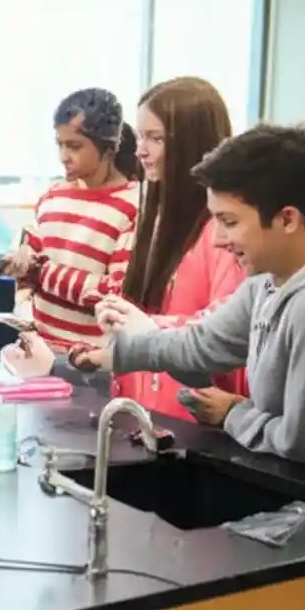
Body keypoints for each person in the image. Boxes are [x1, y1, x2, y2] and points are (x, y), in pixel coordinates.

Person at [72, 119, 305, 479]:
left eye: (229, 221)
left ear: (288, 219)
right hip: (291, 495)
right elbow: (203, 346)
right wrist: (117, 354)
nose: (218, 239)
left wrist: (233, 413)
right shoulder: (270, 281)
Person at [101, 77, 250, 421]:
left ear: (194, 144)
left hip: (193, 426)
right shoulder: (155, 219)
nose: (140, 151)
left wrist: (150, 327)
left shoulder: (222, 233)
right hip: (146, 417)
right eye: (139, 137)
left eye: (155, 138)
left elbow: (229, 330)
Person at [0, 88, 141, 354]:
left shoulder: (132, 206)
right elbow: (30, 250)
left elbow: (117, 295)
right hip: (38, 352)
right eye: (60, 144)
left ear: (109, 147)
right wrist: (21, 260)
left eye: (74, 146)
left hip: (92, 360)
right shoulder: (53, 196)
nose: (64, 155)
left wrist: (41, 272)